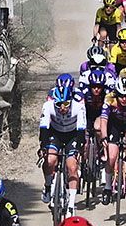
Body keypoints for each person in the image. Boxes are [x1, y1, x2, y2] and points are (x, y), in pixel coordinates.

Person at [38, 74, 90, 206]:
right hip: (55, 133)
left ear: (71, 101)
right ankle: (48, 185)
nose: (62, 108)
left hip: (73, 135)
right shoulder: (48, 105)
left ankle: (71, 204)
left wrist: (79, 148)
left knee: (72, 166)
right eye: (59, 104)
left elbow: (81, 130)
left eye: (66, 104)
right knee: (50, 160)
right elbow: (44, 128)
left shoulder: (78, 106)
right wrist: (43, 147)